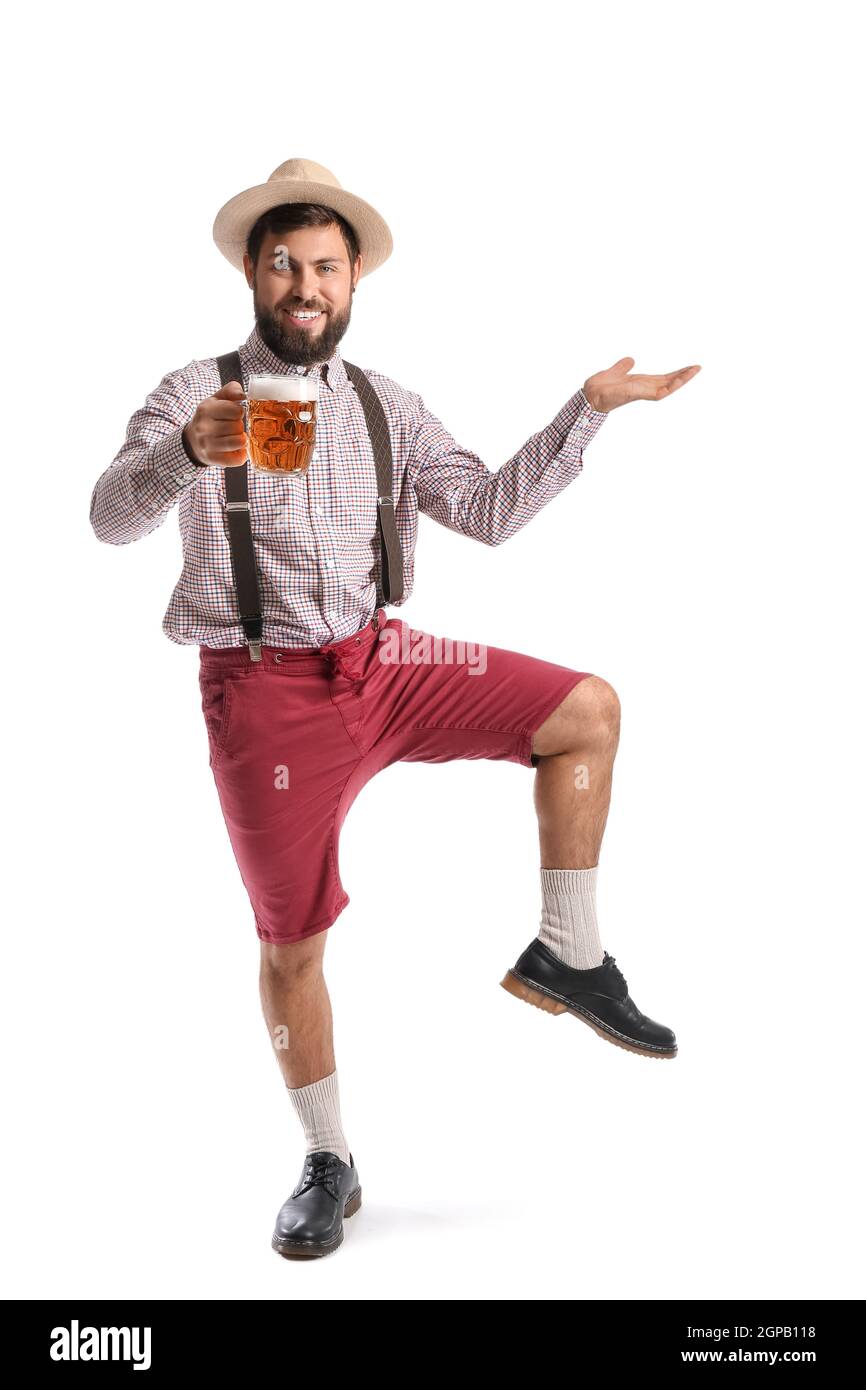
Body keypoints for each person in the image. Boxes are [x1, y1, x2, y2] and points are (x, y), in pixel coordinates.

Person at [90, 158, 701, 1261]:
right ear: (252, 271)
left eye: (325, 265)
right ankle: (328, 1159)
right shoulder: (195, 392)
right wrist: (187, 454)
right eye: (284, 265)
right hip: (263, 694)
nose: (304, 285)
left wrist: (586, 412)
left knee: (586, 710)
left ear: (355, 274)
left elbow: (483, 509)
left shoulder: (385, 404)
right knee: (292, 944)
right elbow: (106, 518)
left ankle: (566, 950)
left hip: (389, 660)